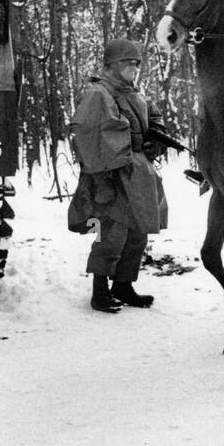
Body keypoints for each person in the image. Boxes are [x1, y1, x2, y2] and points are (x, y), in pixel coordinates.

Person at [67, 39, 165, 313]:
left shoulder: (133, 94)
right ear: (112, 65)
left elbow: (152, 119)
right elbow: (88, 138)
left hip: (136, 175)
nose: (134, 68)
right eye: (128, 63)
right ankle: (99, 292)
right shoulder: (99, 94)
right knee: (110, 234)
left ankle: (123, 285)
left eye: (137, 63)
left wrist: (153, 142)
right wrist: (102, 180)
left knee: (137, 233)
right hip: (110, 175)